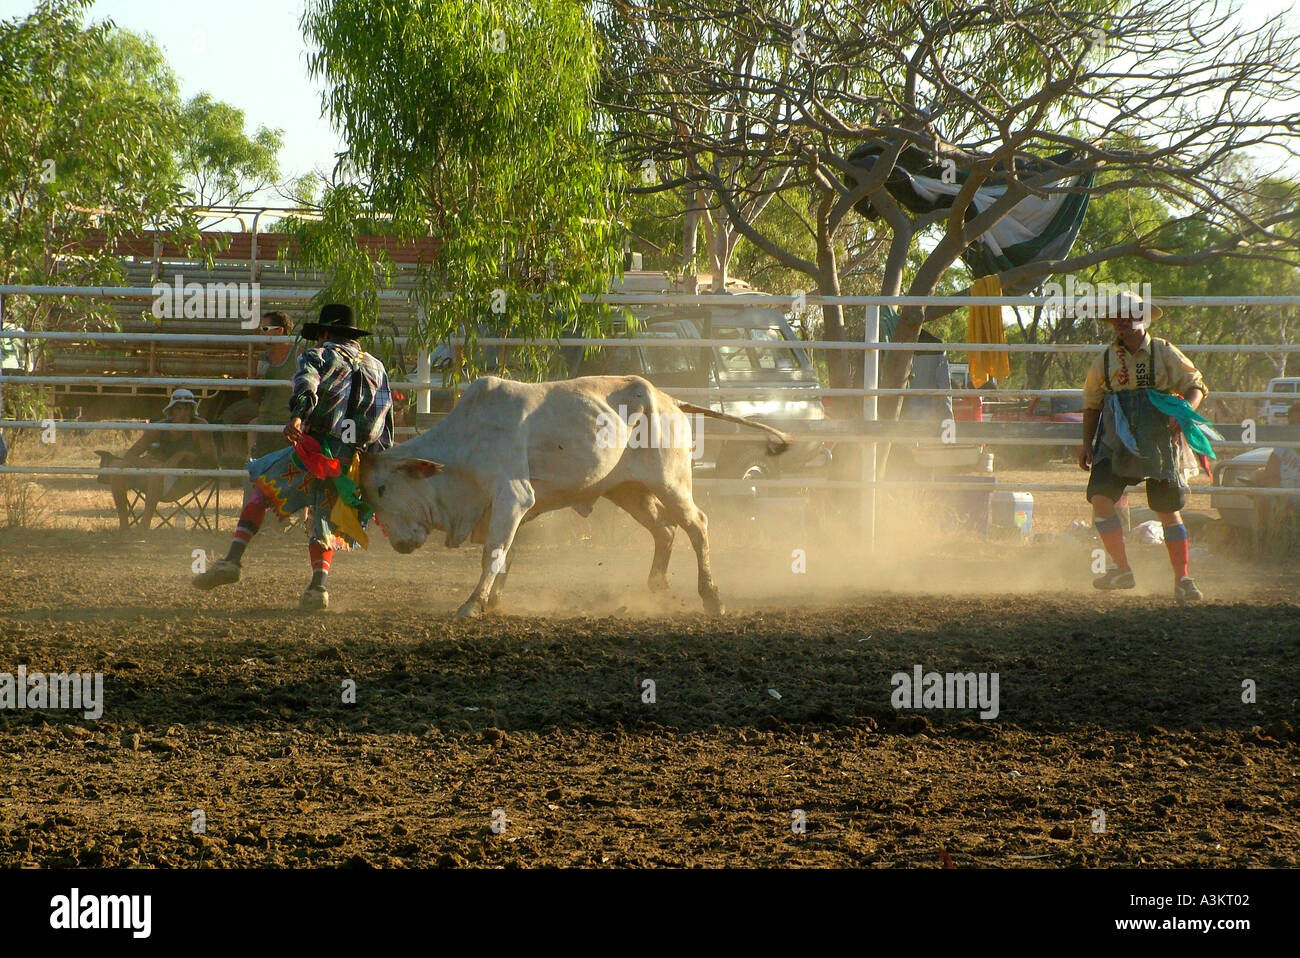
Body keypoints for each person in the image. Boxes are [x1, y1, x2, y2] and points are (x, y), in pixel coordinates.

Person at [191, 303, 395, 610]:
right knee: (324, 520)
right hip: (349, 459)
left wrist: (299, 416)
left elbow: (306, 383)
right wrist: (377, 465)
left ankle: (232, 560)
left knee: (264, 488)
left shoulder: (320, 356)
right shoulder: (377, 367)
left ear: (325, 333)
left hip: (314, 448)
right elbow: (385, 420)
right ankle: (318, 588)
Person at [1079, 291, 1210, 602]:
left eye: (1128, 315)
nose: (1121, 323)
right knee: (1100, 499)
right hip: (1115, 437)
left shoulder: (1163, 351)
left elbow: (1195, 384)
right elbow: (1091, 403)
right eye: (1117, 318)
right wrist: (1086, 443)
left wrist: (1185, 412)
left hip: (1157, 436)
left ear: (1141, 318)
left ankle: (1182, 578)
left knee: (1167, 508)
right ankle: (1121, 569)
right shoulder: (1105, 359)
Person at [103, 388, 217, 530]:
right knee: (116, 465)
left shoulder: (199, 427)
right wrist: (143, 462)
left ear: (192, 410)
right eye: (179, 409)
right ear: (172, 411)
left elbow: (212, 461)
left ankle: (144, 526)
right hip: (152, 473)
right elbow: (130, 454)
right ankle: (123, 525)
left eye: (187, 409)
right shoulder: (160, 427)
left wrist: (182, 455)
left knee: (156, 473)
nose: (183, 414)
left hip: (181, 479)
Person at [247, 311, 300, 459]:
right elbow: (254, 396)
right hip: (266, 423)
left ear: (280, 330)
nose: (261, 334)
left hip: (290, 425)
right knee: (265, 474)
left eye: (265, 329)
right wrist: (256, 382)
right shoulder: (263, 358)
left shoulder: (298, 355)